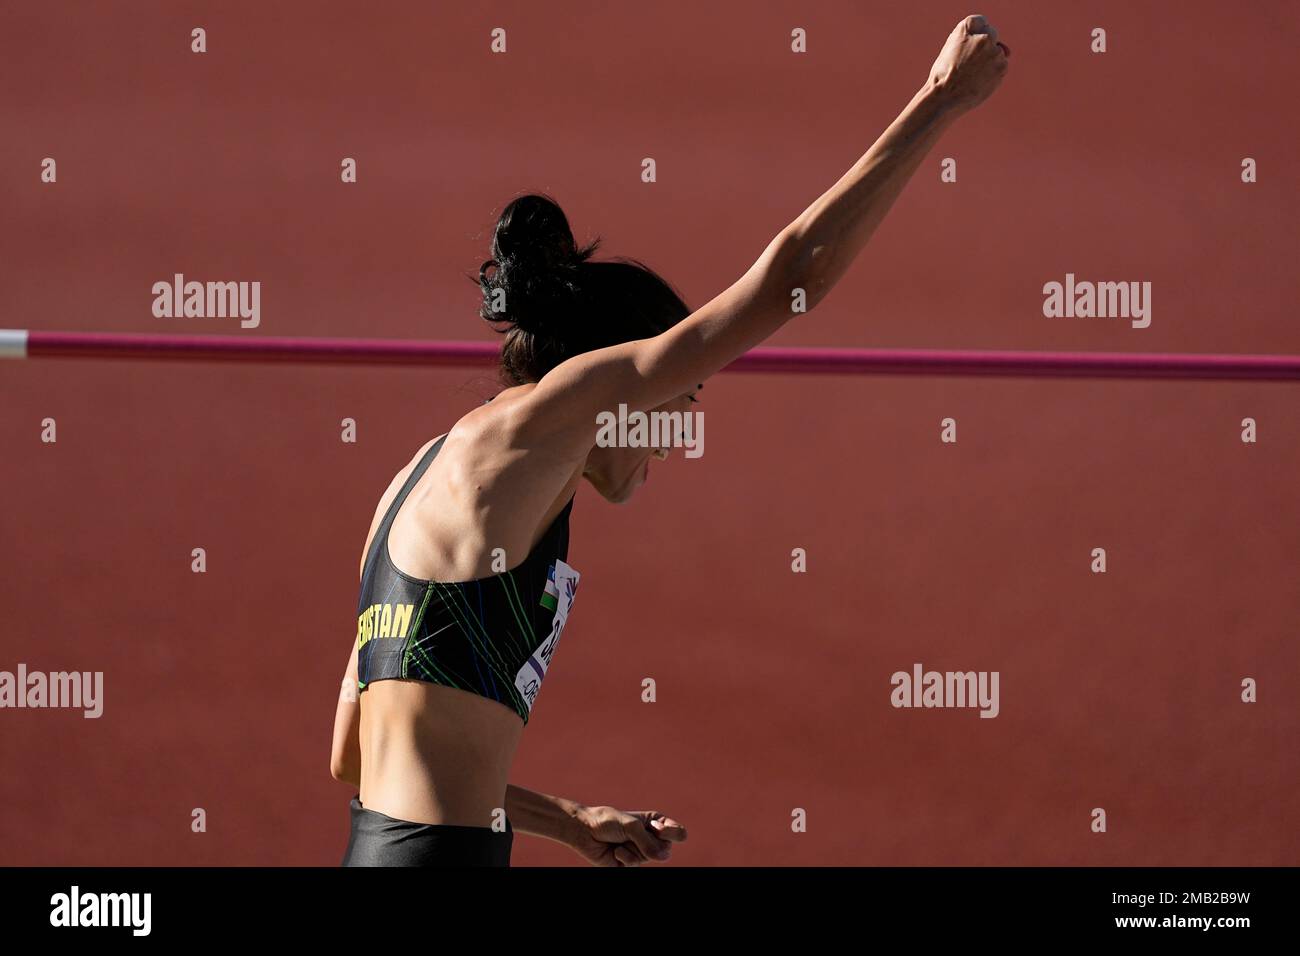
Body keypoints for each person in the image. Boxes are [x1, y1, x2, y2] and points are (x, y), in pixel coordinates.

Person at [331, 14, 1010, 866]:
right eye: (683, 397)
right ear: (620, 374)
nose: (677, 435)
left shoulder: (413, 482)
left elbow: (356, 757)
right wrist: (938, 103)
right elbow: (787, 280)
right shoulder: (561, 407)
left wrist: (571, 821)